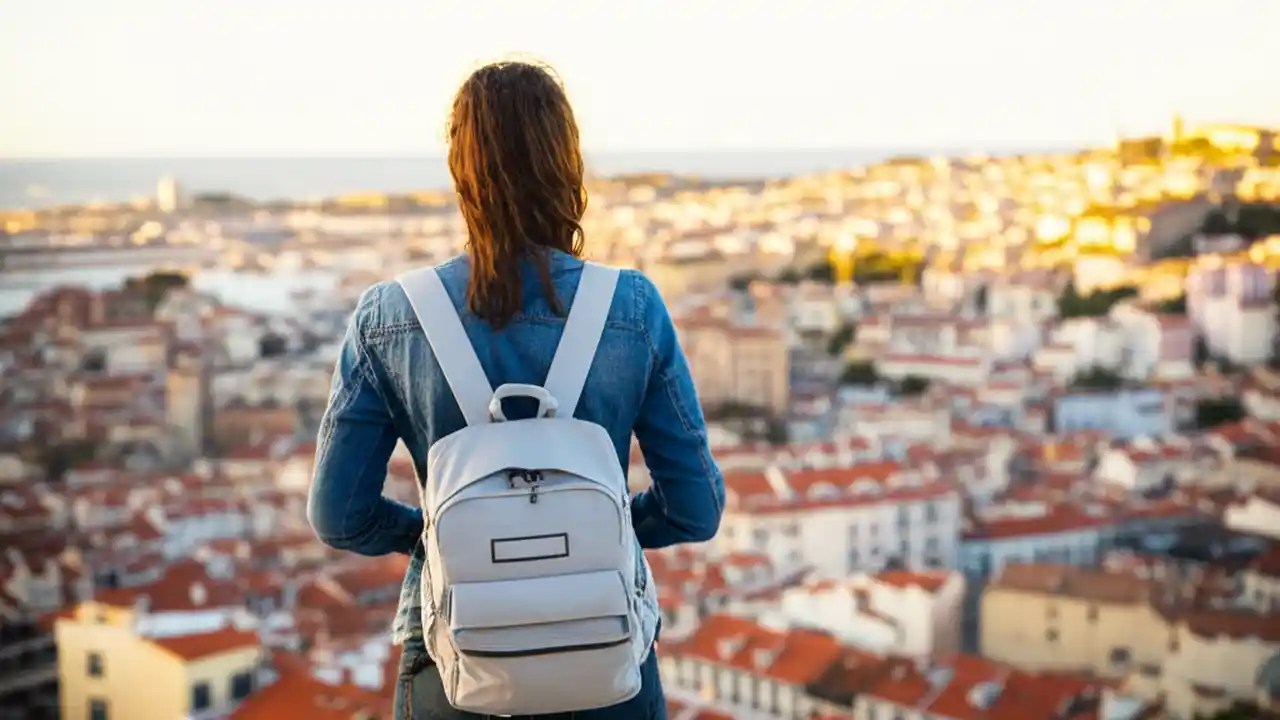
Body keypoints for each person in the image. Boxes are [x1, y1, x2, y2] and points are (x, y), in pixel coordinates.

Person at [307, 59, 725, 720]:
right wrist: (598, 520)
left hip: (455, 661)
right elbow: (695, 509)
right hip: (603, 652)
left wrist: (444, 532)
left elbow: (339, 514)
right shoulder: (632, 308)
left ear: (461, 170)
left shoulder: (388, 317)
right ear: (568, 163)